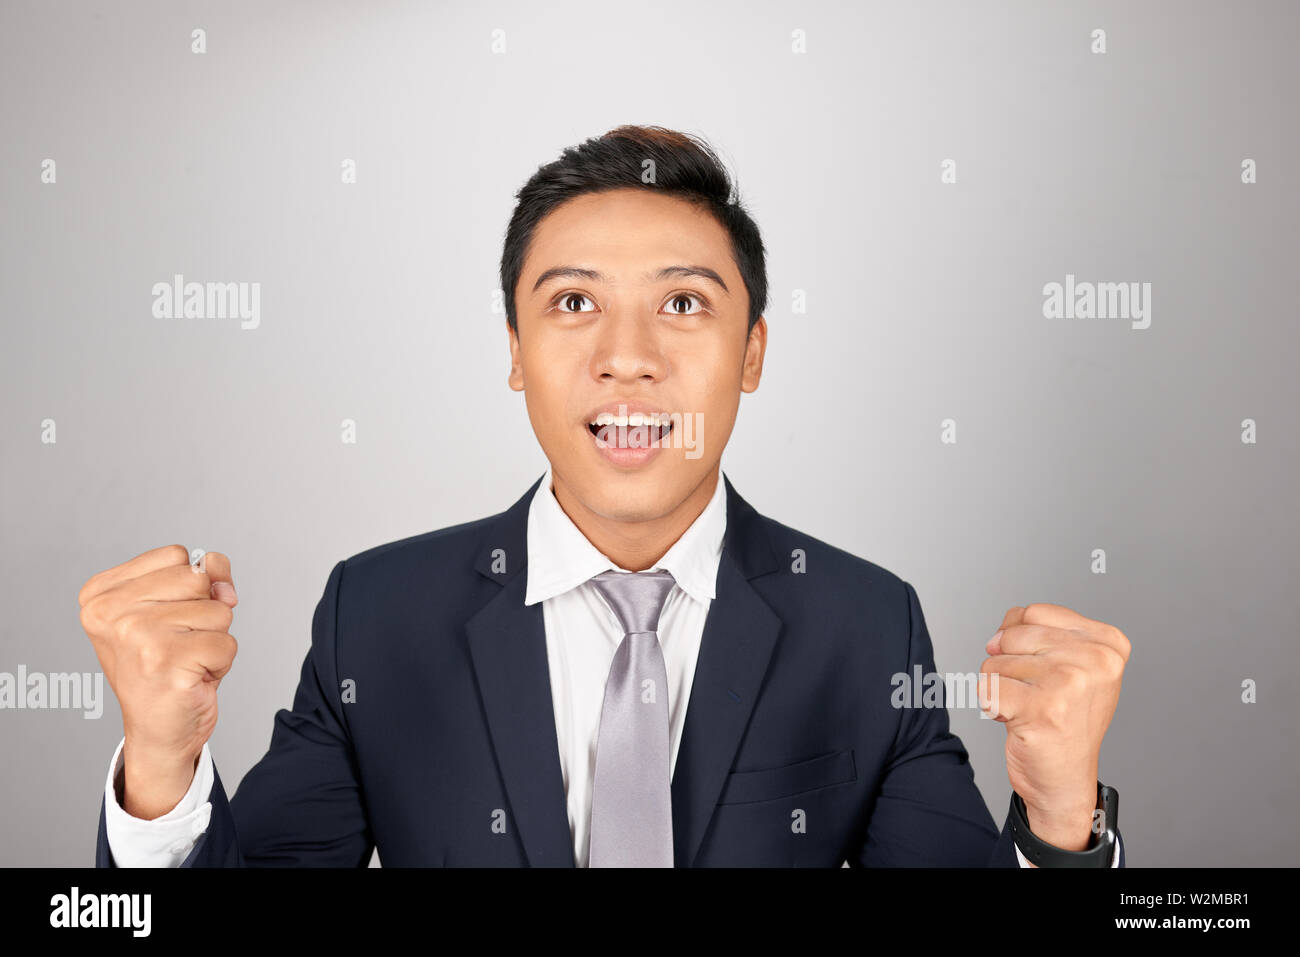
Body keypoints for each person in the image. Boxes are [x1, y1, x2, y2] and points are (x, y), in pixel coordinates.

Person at [80, 125, 1129, 867]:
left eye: (682, 303)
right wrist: (163, 774)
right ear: (515, 354)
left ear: (751, 352)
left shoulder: (862, 622)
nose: (627, 360)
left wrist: (1057, 820)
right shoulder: (377, 617)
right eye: (574, 302)